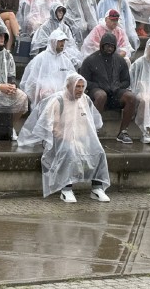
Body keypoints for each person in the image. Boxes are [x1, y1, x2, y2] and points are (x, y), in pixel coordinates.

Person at [17, 74, 110, 203]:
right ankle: (66, 189)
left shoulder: (86, 100)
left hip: (80, 138)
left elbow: (90, 123)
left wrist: (81, 139)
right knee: (69, 152)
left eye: (82, 86)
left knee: (98, 151)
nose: (80, 90)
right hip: (60, 140)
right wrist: (69, 139)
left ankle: (97, 188)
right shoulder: (58, 100)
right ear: (69, 86)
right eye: (77, 86)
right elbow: (52, 127)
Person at [80, 32, 138, 144]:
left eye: (112, 46)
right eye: (107, 46)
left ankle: (123, 132)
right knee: (101, 95)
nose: (109, 49)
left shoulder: (120, 60)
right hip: (97, 93)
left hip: (115, 93)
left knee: (131, 97)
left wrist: (118, 86)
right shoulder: (90, 60)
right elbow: (83, 81)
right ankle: (94, 130)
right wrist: (99, 85)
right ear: (101, 45)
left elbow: (126, 81)